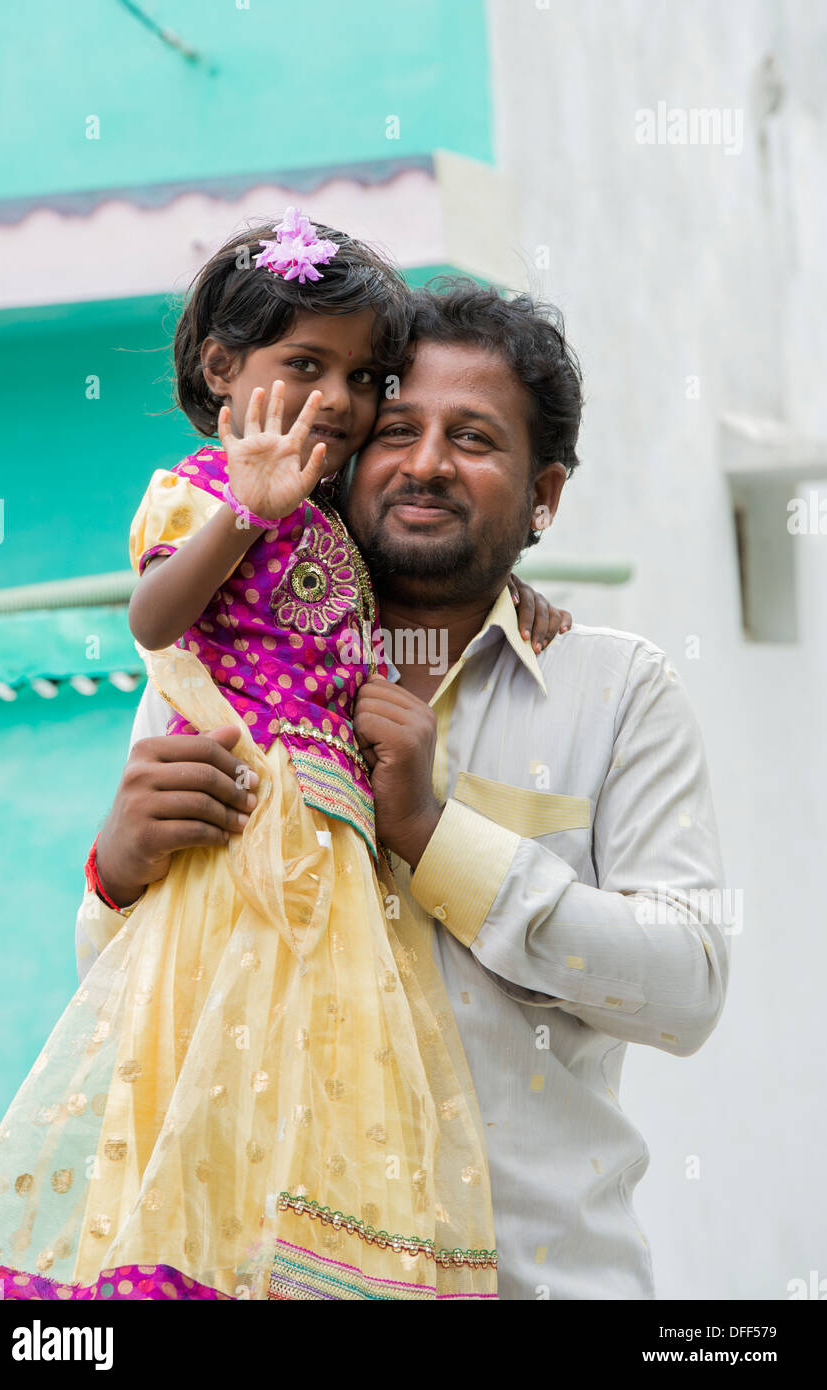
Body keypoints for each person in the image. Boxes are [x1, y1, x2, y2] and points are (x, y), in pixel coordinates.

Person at [73, 281, 730, 1301]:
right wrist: (117, 871)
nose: (424, 463)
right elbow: (117, 980)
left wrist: (431, 835)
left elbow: (686, 986)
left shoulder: (613, 691)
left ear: (544, 495)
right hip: (261, 1272)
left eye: (473, 438)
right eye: (397, 428)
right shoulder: (223, 668)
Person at [0, 218, 566, 1303]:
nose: (338, 398)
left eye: (360, 375)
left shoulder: (325, 516)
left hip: (333, 840)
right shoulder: (211, 494)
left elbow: (398, 573)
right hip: (252, 824)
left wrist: (511, 593)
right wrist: (244, 507)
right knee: (217, 1077)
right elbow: (155, 619)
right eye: (306, 365)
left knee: (329, 1065)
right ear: (217, 368)